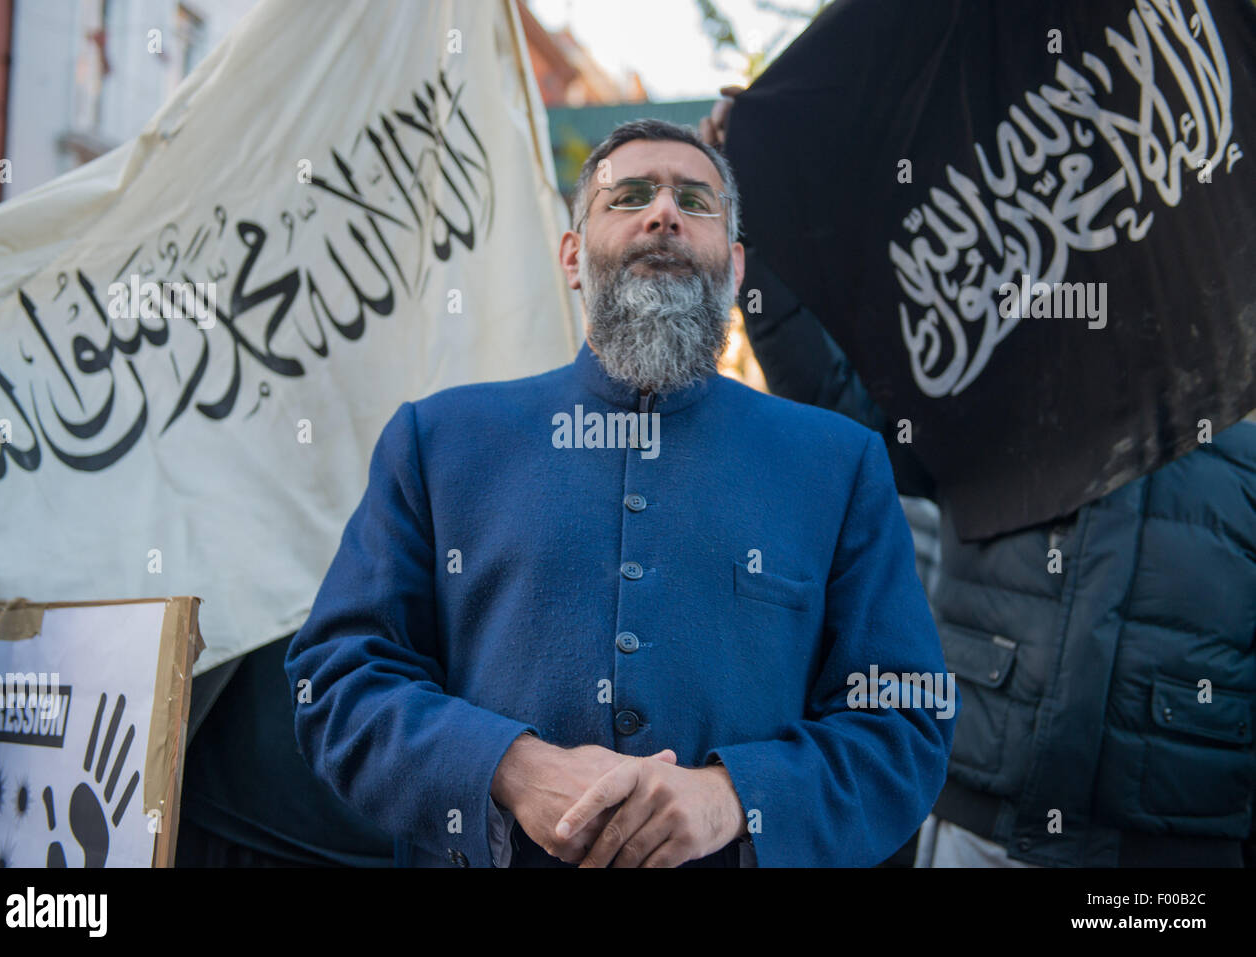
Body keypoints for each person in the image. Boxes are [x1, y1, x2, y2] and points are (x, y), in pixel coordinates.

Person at [284, 118, 956, 868]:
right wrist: (506, 767)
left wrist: (735, 796)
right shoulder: (438, 441)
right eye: (628, 195)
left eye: (695, 201)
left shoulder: (839, 463)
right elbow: (337, 678)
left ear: (734, 269)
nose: (663, 212)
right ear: (572, 256)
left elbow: (905, 714)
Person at [704, 84, 1256, 869]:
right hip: (977, 836)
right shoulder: (995, 408)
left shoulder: (1243, 462)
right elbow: (834, 398)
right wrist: (754, 215)